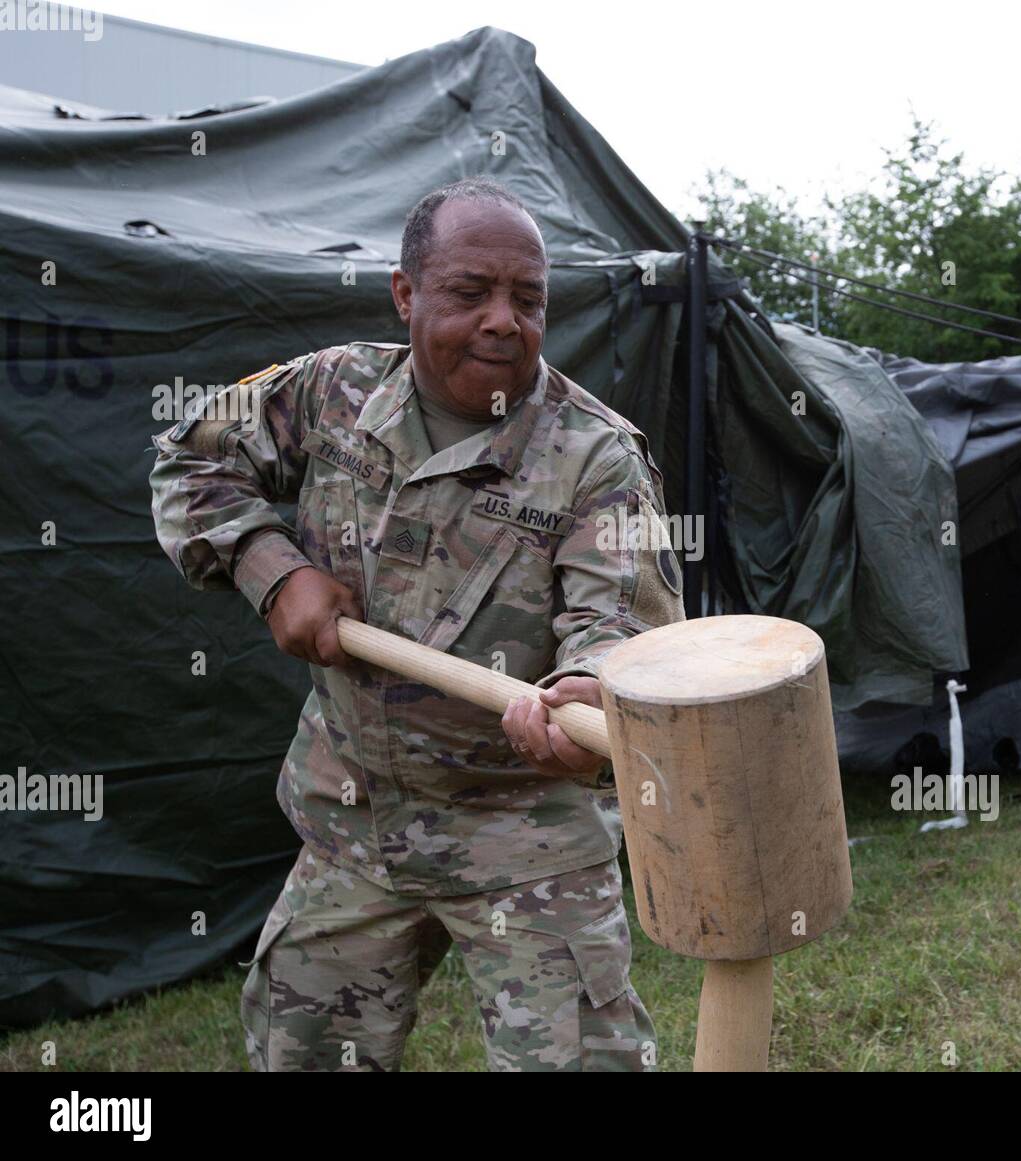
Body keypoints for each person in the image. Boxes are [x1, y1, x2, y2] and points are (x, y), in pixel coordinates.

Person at [149, 177, 686, 1072]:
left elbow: (618, 630)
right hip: (353, 821)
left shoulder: (596, 459)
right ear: (406, 294)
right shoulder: (331, 391)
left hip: (528, 838)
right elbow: (189, 462)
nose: (503, 322)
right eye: (470, 292)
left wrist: (586, 704)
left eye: (528, 298)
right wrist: (272, 570)